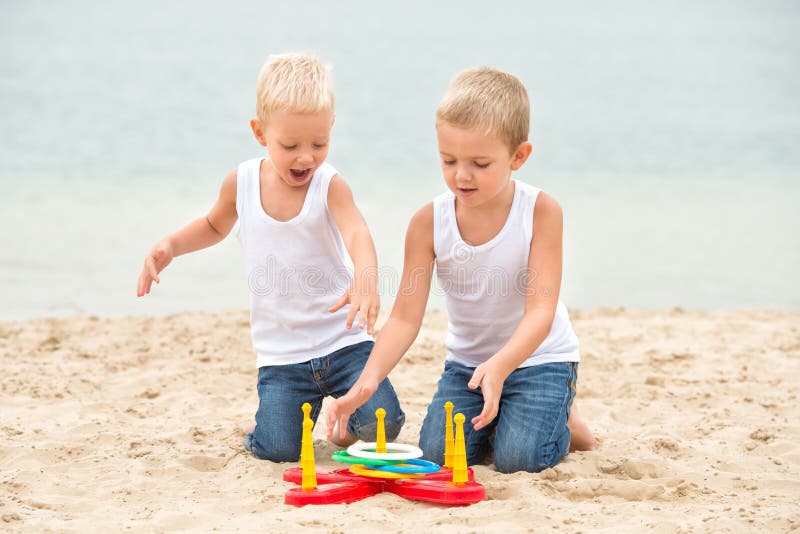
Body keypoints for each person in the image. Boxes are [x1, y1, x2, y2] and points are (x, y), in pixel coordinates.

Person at [136, 52, 404, 462]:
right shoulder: (241, 183)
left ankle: (340, 427)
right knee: (276, 450)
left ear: (331, 127)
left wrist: (366, 277)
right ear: (260, 133)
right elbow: (213, 225)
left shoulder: (329, 186)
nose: (306, 157)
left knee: (382, 421)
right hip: (283, 355)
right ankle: (264, 425)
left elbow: (356, 231)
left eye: (319, 144)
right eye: (290, 145)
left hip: (343, 342)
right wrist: (171, 245)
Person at [326, 66, 596, 473]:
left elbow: (541, 312)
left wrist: (502, 367)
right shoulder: (427, 222)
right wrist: (366, 383)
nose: (461, 175)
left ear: (518, 156)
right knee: (437, 455)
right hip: (468, 367)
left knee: (518, 460)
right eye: (448, 160)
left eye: (481, 164)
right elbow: (404, 318)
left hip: (539, 360)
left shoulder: (541, 212)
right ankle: (512, 415)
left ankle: (563, 415)